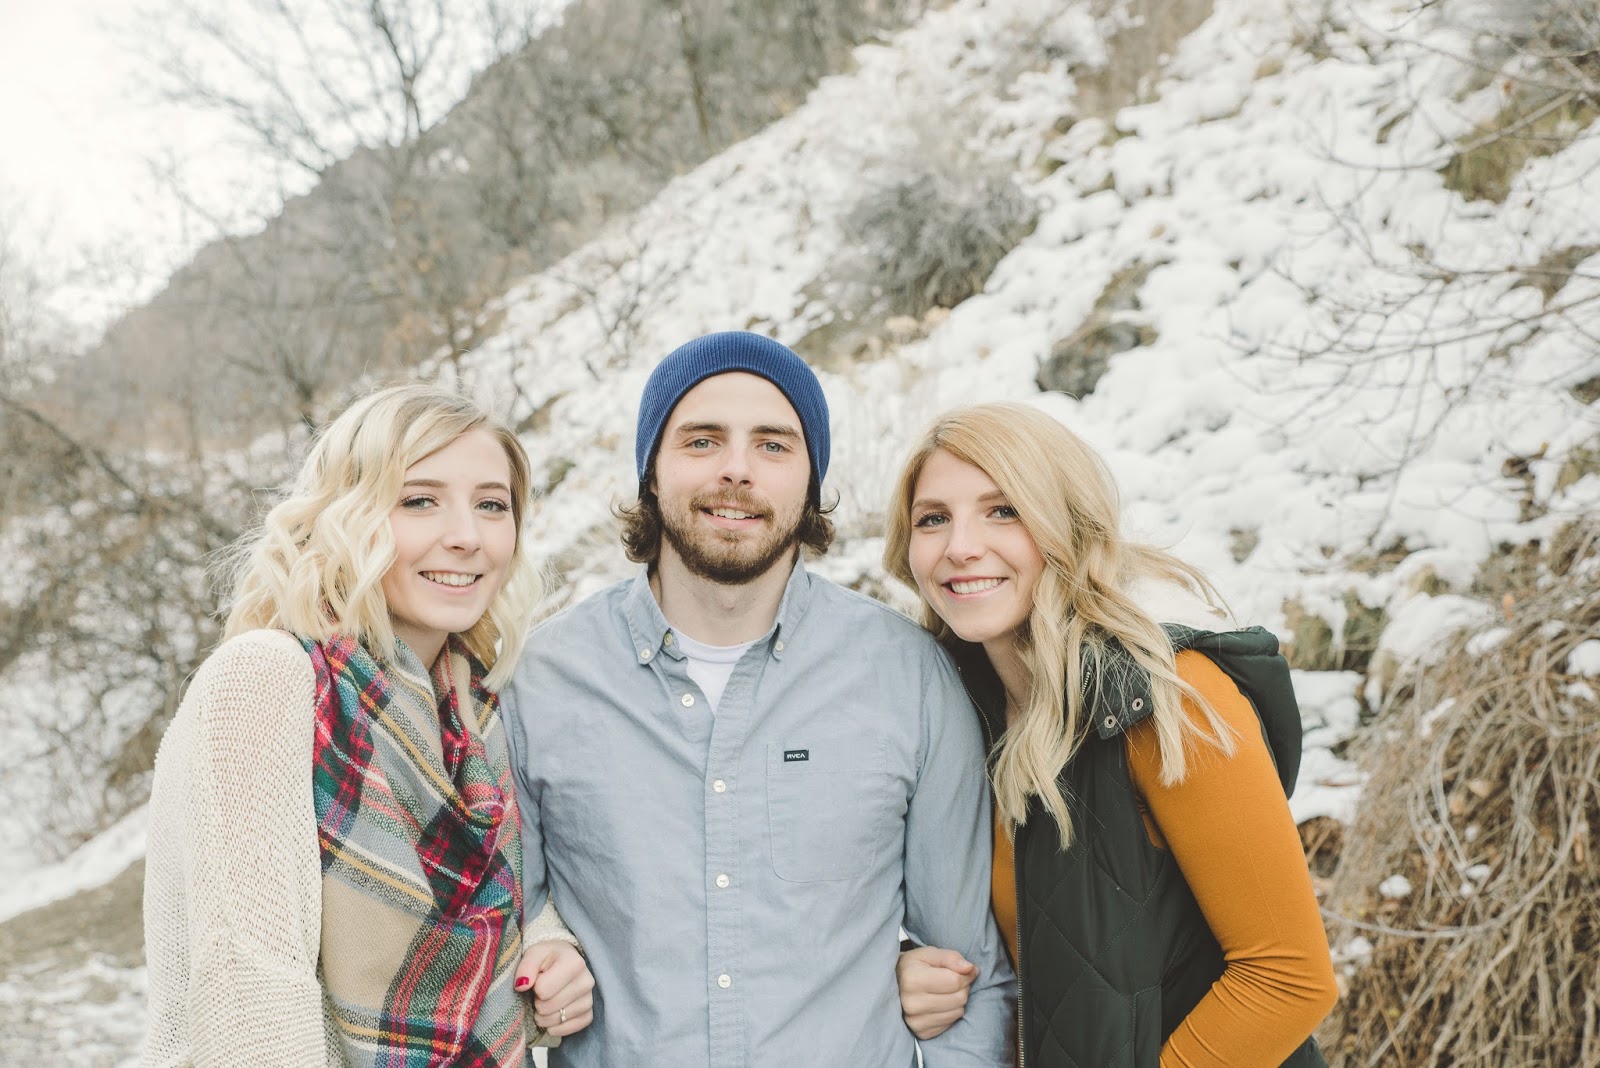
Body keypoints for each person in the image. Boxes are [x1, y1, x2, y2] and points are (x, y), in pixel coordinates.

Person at [502, 331, 1013, 1065]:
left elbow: (973, 975)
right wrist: (543, 956)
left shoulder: (909, 677)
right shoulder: (542, 681)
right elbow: (495, 933)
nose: (736, 470)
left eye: (774, 446)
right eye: (702, 441)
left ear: (811, 481)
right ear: (651, 471)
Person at [140, 383, 594, 1067]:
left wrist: (549, 950)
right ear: (344, 515)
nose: (466, 536)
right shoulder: (265, 681)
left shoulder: (478, 713)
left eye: (492, 506)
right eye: (419, 501)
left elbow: (496, 904)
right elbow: (251, 1003)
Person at [884, 402, 1339, 1067]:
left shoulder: (1166, 698)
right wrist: (904, 970)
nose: (960, 546)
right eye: (933, 519)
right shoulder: (950, 713)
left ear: (1065, 522)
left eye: (1003, 510)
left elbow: (1288, 980)